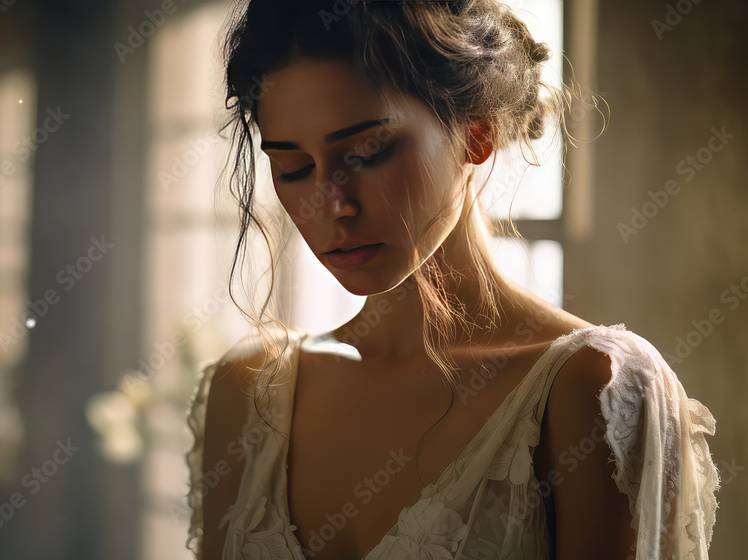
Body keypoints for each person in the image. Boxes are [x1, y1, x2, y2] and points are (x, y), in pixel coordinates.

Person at [184, 1, 720, 559]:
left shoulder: (592, 388)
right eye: (293, 168)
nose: (331, 203)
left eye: (369, 151)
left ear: (476, 136)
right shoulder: (247, 394)